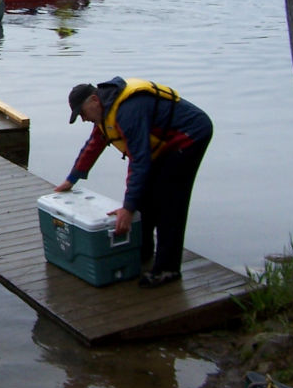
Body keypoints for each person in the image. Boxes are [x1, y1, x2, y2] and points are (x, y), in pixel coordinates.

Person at [56, 77, 213, 288]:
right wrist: (71, 179)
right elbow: (93, 145)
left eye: (82, 113)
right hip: (163, 143)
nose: (83, 119)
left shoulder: (127, 112)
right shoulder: (105, 111)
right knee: (146, 197)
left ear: (94, 100)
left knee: (170, 200)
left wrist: (128, 208)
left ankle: (167, 269)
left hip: (189, 135)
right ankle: (143, 252)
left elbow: (140, 160)